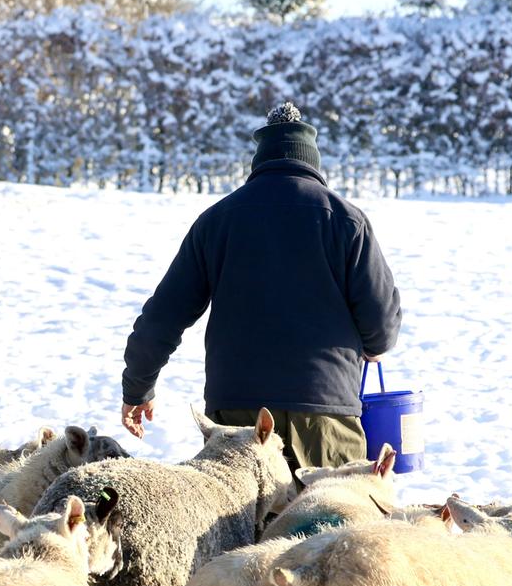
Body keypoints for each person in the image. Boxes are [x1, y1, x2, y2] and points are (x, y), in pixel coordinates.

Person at [118, 102, 401, 470]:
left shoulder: (217, 221)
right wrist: (374, 347)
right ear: (312, 162)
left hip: (235, 414)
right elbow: (380, 323)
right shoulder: (346, 220)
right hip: (324, 415)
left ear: (259, 160)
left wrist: (138, 388)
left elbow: (163, 317)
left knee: (237, 525)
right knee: (329, 521)